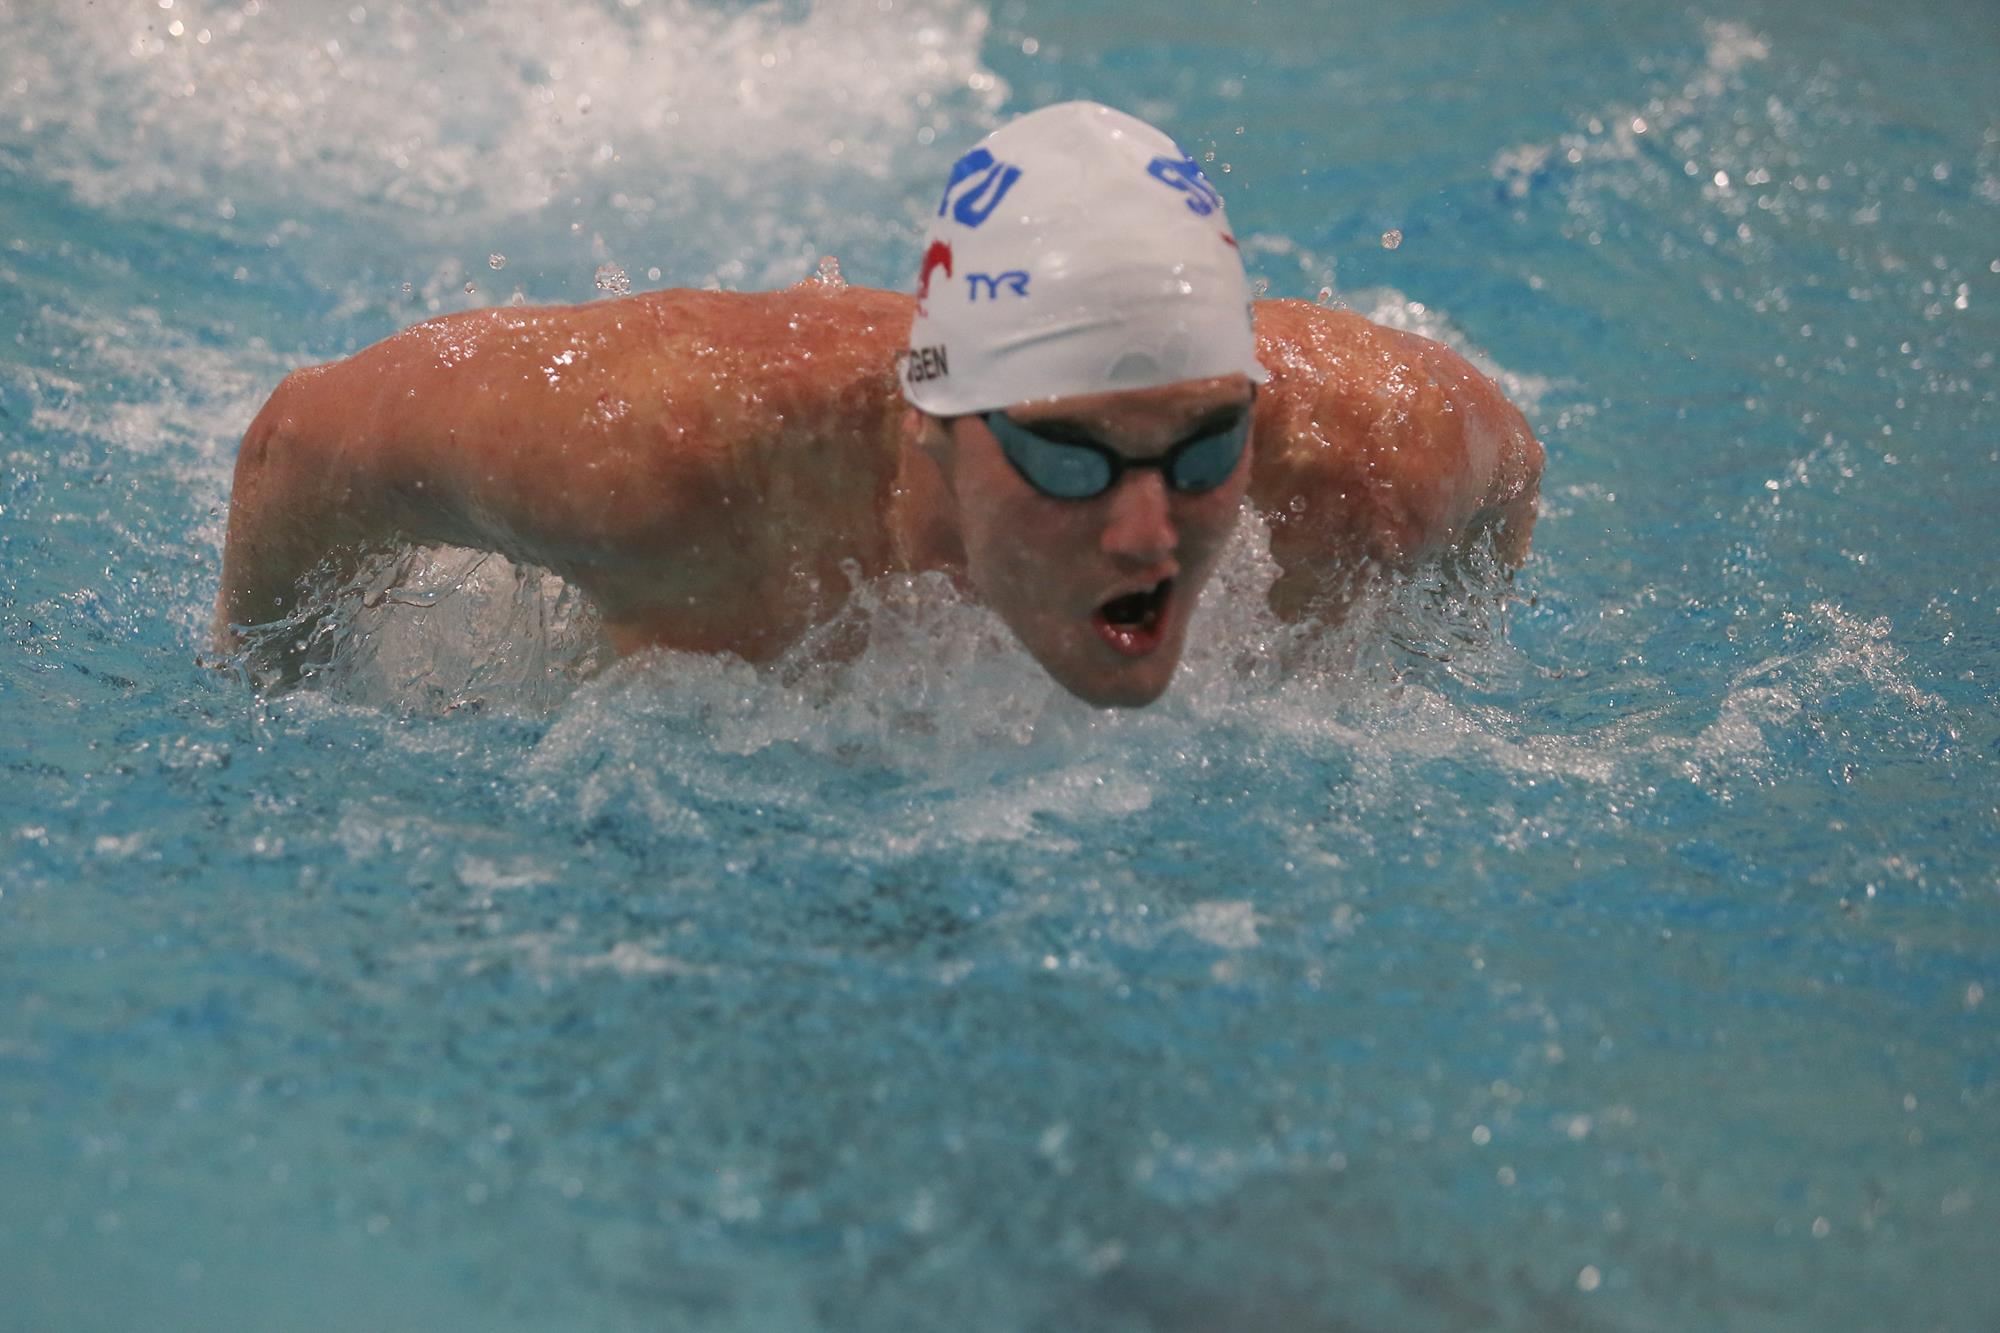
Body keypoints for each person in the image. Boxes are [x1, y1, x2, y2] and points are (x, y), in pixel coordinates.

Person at [215, 102, 1542, 708]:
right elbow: (294, 447)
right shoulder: (662, 463)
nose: (1150, 533)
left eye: (1203, 448)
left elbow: (1511, 477)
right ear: (934, 426)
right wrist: (280, 711)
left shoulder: (1369, 459)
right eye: (1070, 460)